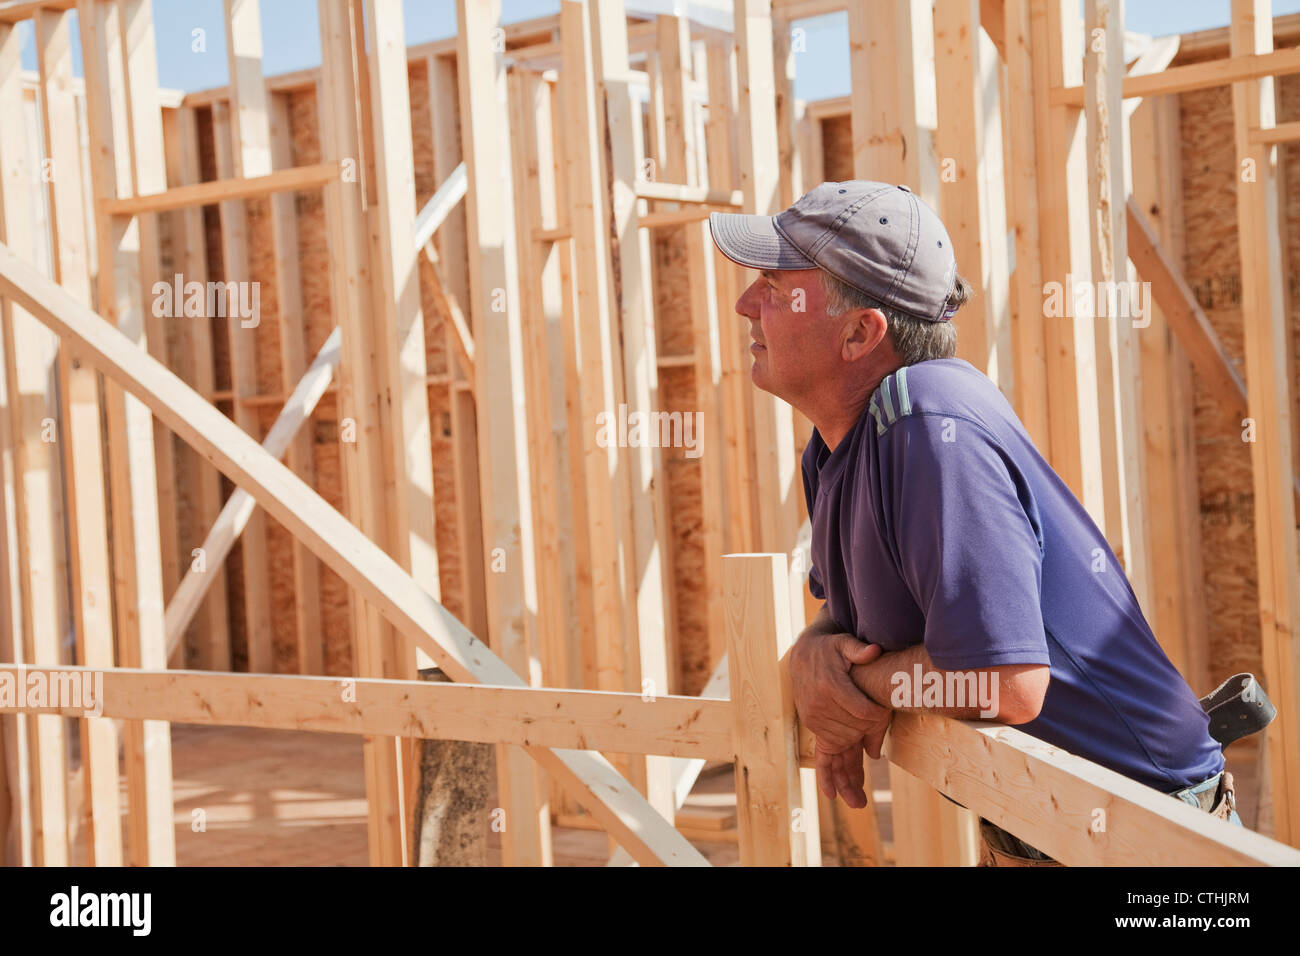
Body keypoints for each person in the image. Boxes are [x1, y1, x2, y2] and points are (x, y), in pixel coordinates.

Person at [707, 180, 1238, 866]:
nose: (747, 304)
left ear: (860, 333)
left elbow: (1004, 682)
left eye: (777, 290)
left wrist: (853, 687)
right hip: (1034, 827)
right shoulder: (837, 447)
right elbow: (852, 627)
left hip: (1144, 838)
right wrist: (813, 655)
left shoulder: (928, 422)